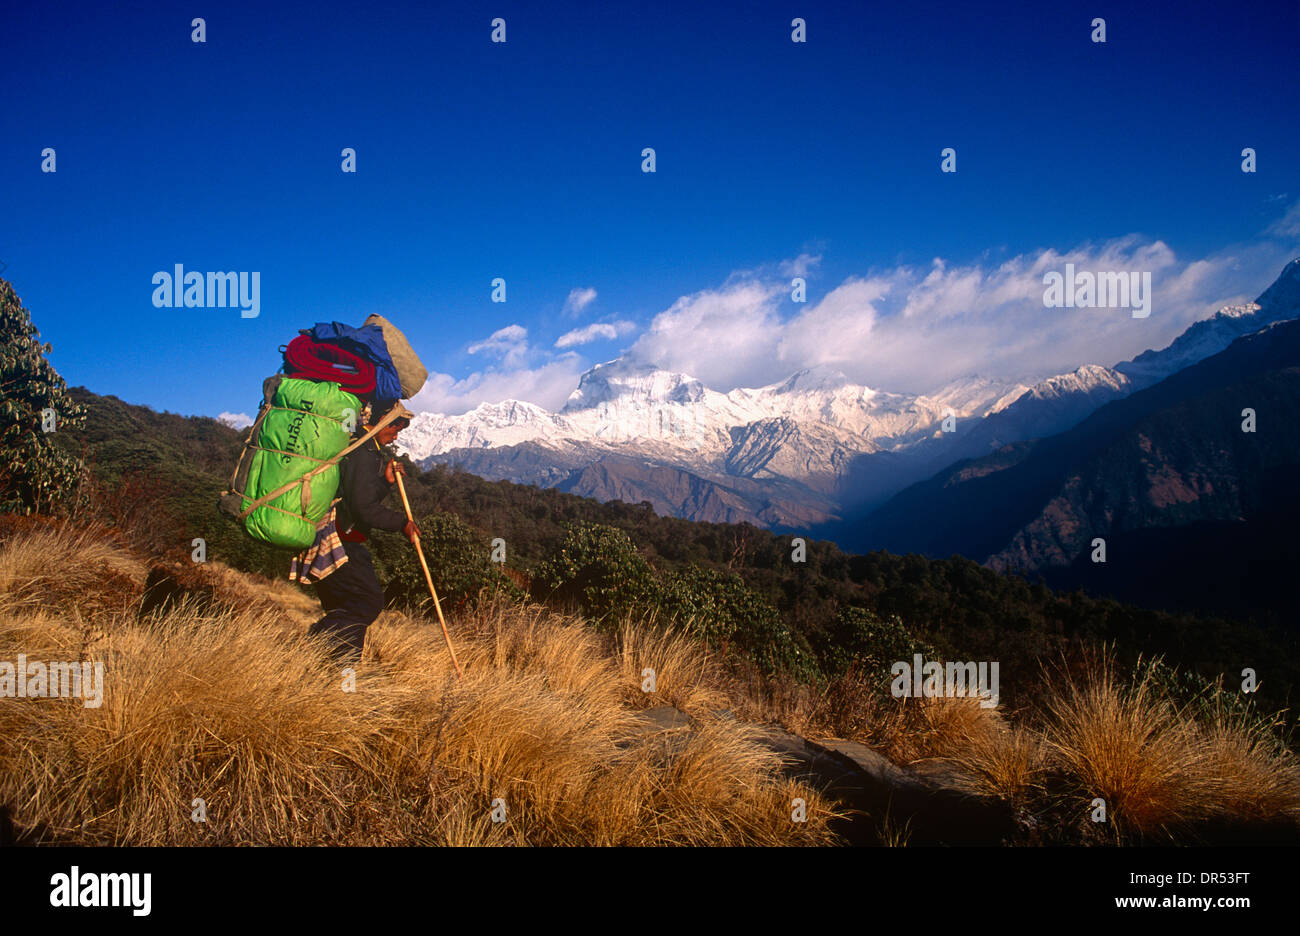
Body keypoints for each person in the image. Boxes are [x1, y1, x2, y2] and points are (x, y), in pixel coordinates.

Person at [297, 403, 419, 664]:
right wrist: (402, 523)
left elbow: (357, 497)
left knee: (345, 606)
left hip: (332, 535)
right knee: (367, 600)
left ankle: (337, 669)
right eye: (395, 427)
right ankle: (316, 643)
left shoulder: (361, 447)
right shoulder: (364, 453)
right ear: (381, 421)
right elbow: (364, 510)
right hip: (339, 539)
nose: (396, 435)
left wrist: (384, 483)